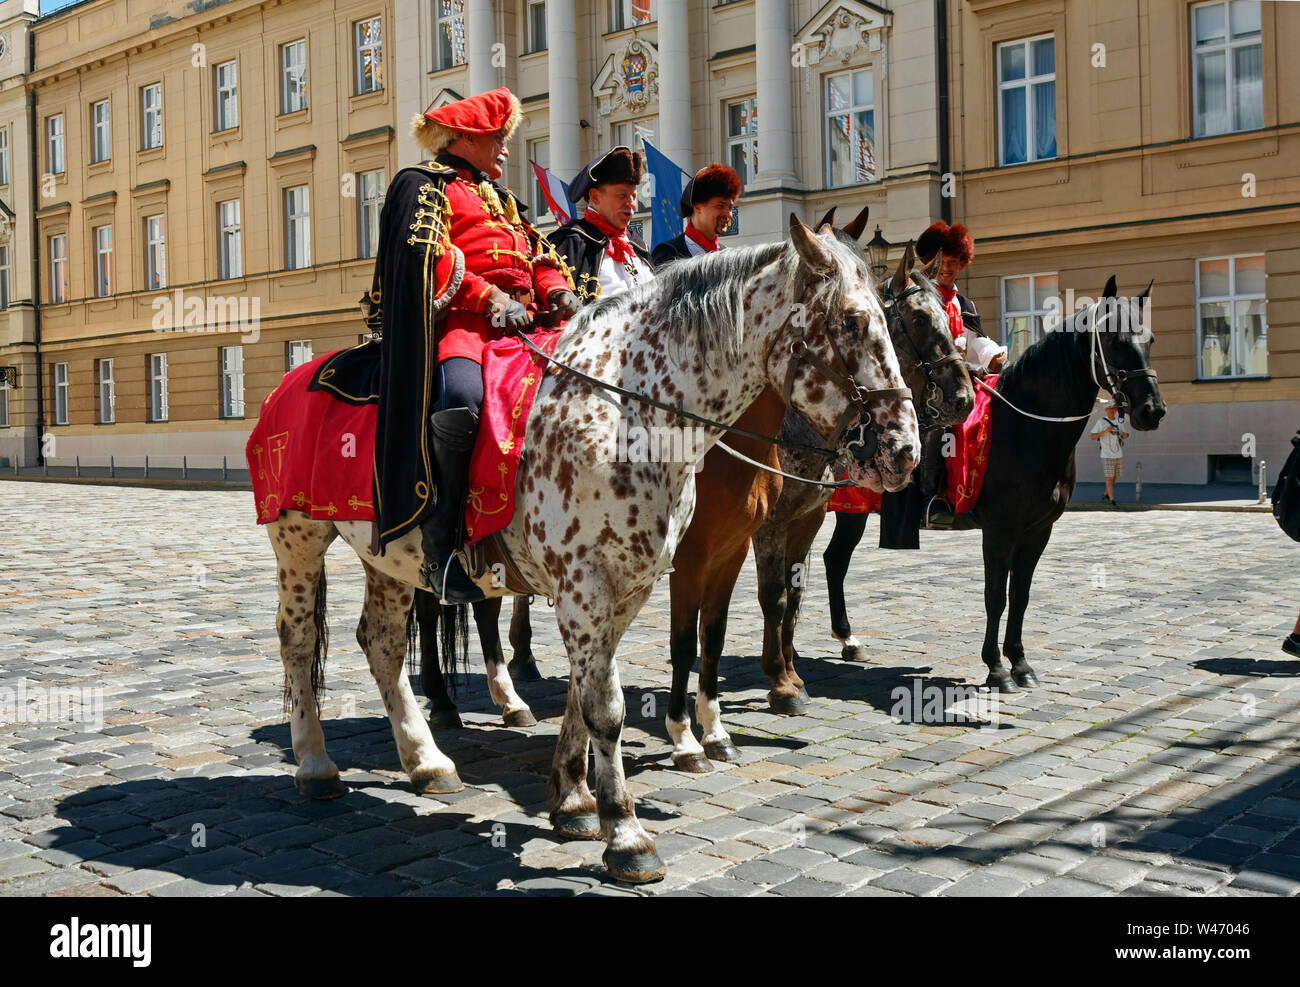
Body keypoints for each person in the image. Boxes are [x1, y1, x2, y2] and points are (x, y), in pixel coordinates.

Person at [366, 87, 579, 595]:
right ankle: (442, 545)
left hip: (528, 326)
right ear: (465, 137)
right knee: (460, 403)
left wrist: (558, 292)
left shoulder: (506, 201)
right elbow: (427, 256)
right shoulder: (422, 185)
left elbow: (540, 255)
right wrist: (488, 300)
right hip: (466, 325)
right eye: (498, 138)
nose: (506, 148)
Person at [912, 221, 1001, 528]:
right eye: (941, 262)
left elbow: (975, 340)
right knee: (938, 422)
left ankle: (983, 490)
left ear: (961, 264)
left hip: (961, 380)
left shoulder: (963, 303)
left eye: (953, 263)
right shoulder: (920, 299)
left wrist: (995, 358)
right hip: (927, 382)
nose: (946, 268)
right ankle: (931, 499)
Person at [548, 146, 655, 303]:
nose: (631, 204)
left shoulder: (637, 244)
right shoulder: (571, 241)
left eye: (633, 196)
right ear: (595, 197)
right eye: (622, 196)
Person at [650, 163, 741, 267]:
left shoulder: (728, 257)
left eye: (730, 208)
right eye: (720, 206)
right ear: (697, 207)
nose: (728, 214)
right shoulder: (668, 253)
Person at [1090, 402, 1129, 506]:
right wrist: (1105, 431)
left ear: (1116, 410)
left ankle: (1106, 494)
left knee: (1115, 476)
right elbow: (1093, 436)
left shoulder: (1119, 422)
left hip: (1118, 453)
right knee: (1109, 477)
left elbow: (1125, 436)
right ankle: (1112, 500)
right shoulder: (1101, 422)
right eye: (1109, 408)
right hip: (1106, 454)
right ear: (1106, 410)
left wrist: (1123, 434)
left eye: (1113, 408)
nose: (1112, 410)